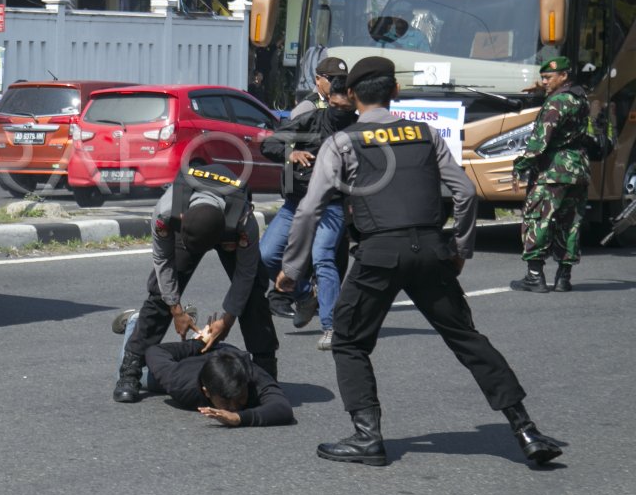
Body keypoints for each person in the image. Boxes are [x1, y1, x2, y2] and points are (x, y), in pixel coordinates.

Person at [276, 56, 562, 467]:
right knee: (466, 338)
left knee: (349, 340)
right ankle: (526, 429)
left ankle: (367, 437)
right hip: (430, 248)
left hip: (379, 253)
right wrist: (461, 249)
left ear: (353, 96)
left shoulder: (342, 142)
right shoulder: (426, 133)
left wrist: (291, 270)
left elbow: (309, 211)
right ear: (395, 92)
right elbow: (465, 193)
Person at [112, 163, 279, 403]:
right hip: (191, 225)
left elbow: (246, 274)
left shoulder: (242, 221)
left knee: (254, 295)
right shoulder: (167, 210)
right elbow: (162, 259)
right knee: (161, 292)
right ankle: (130, 370)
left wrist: (227, 319)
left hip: (224, 226)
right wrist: (176, 309)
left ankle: (266, 370)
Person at [259, 75, 358, 350]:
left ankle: (330, 327)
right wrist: (290, 152)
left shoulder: (360, 129)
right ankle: (305, 294)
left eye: (347, 108)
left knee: (322, 257)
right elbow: (269, 143)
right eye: (336, 106)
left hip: (333, 204)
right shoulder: (312, 120)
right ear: (329, 101)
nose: (341, 112)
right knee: (266, 254)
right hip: (296, 202)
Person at [111, 315, 293, 427]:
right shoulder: (180, 383)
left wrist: (240, 418)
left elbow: (282, 408)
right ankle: (136, 322)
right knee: (127, 371)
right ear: (206, 391)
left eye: (240, 399)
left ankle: (200, 337)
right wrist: (197, 344)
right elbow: (155, 351)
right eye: (227, 403)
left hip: (223, 352)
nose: (234, 407)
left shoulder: (251, 375)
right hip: (187, 361)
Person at [510, 56, 591, 293]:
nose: (543, 81)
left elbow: (540, 141)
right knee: (571, 223)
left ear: (563, 76)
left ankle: (534, 276)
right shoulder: (580, 96)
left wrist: (521, 165)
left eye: (548, 78)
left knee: (538, 219)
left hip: (553, 169)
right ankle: (563, 277)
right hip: (578, 169)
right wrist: (544, 91)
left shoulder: (557, 102)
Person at [367, 15, 431, 52]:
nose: (400, 17)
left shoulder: (419, 37)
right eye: (397, 14)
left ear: (410, 17)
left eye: (404, 14)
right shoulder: (384, 37)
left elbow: (426, 60)